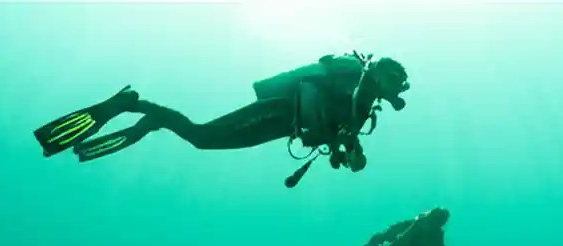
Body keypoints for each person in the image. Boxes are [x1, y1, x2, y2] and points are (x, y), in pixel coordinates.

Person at [32, 51, 410, 187]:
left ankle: (146, 117)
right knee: (202, 136)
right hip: (279, 112)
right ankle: (135, 106)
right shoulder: (359, 83)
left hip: (282, 124)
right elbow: (354, 102)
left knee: (202, 139)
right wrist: (352, 140)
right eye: (396, 81)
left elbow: (348, 141)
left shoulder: (360, 101)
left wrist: (350, 150)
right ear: (383, 74)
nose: (398, 90)